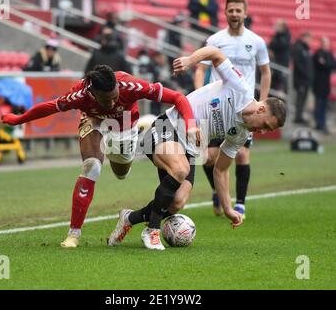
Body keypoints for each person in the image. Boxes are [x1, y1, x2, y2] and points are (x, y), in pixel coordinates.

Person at [107, 46, 286, 250]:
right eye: (265, 125)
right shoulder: (241, 88)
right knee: (180, 169)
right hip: (167, 126)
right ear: (261, 109)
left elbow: (221, 169)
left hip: (189, 149)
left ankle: (129, 218)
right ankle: (152, 230)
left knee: (177, 203)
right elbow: (216, 54)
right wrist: (190, 60)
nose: (261, 131)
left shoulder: (242, 134)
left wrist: (227, 207)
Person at [2, 65, 196, 248]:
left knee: (121, 173)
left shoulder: (131, 86)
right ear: (93, 94)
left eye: (114, 97)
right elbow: (49, 107)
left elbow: (178, 97)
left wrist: (190, 124)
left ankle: (119, 148)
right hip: (94, 122)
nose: (112, 103)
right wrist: (20, 119)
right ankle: (73, 234)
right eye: (106, 100)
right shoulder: (79, 95)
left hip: (124, 128)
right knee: (92, 166)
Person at [193, 0, 271, 218]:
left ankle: (240, 205)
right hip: (217, 106)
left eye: (239, 11)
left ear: (245, 13)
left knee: (242, 155)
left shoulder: (256, 42)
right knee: (208, 156)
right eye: (231, 11)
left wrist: (262, 102)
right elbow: (200, 69)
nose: (235, 14)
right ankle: (218, 192)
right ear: (225, 13)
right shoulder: (215, 40)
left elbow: (266, 73)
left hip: (244, 108)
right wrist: (200, 93)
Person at [313, 37, 336, 134]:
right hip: (318, 83)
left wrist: (327, 64)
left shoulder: (329, 53)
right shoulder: (318, 53)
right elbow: (323, 65)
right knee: (319, 104)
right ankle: (319, 123)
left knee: (324, 104)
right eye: (324, 42)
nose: (325, 44)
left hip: (326, 84)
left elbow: (332, 65)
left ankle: (322, 124)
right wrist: (328, 64)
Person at [292, 31, 313, 125]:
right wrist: (305, 74)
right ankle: (297, 117)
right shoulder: (299, 48)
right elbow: (297, 64)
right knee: (300, 99)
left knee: (303, 98)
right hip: (300, 79)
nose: (310, 41)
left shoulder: (306, 49)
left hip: (306, 80)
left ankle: (300, 116)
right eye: (308, 38)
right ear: (304, 38)